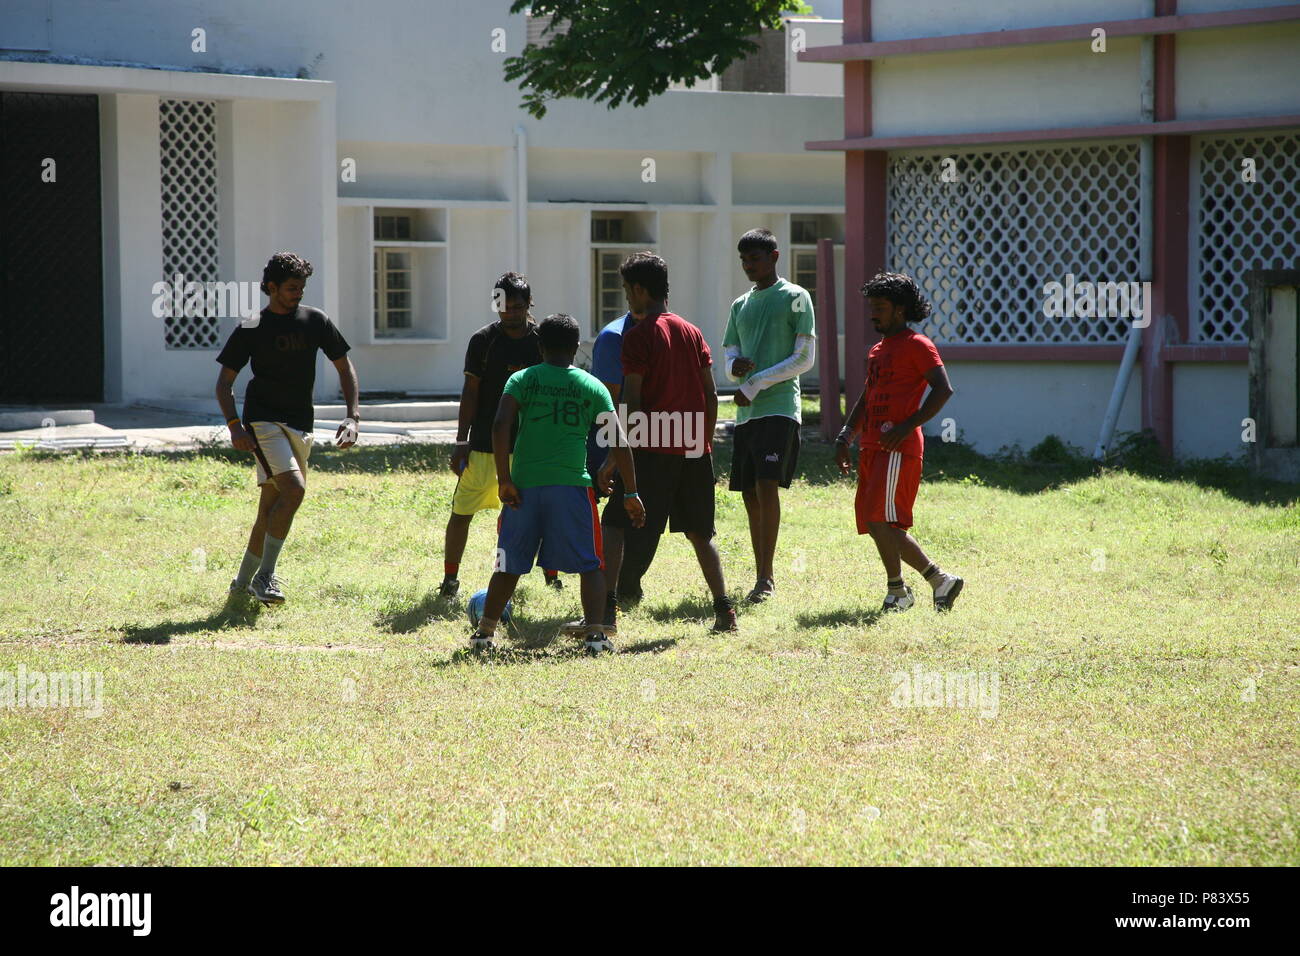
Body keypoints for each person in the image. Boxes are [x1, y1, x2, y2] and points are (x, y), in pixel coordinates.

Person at [470, 314, 645, 656]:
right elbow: (619, 439)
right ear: (577, 348)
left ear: (540, 346)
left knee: (507, 563)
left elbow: (500, 424)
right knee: (591, 563)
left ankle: (484, 635)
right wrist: (632, 492)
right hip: (571, 488)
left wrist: (504, 479)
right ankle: (595, 636)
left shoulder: (521, 379)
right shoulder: (590, 385)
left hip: (523, 489)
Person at [597, 252, 738, 634]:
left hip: (652, 446)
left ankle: (606, 611)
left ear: (640, 290)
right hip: (693, 446)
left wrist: (615, 457)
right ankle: (725, 612)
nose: (627, 298)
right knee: (700, 533)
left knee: (613, 524)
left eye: (627, 291)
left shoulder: (638, 336)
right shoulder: (693, 332)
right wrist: (702, 444)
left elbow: (632, 401)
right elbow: (711, 396)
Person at [216, 252, 359, 606]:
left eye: (302, 287)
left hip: (300, 424)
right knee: (294, 490)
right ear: (271, 287)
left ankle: (241, 584)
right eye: (292, 287)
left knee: (271, 506)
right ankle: (266, 577)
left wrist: (352, 415)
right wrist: (235, 426)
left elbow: (344, 368)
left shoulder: (315, 321)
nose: (299, 293)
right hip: (262, 422)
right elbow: (224, 384)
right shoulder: (252, 325)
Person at [835, 271, 963, 612]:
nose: (873, 313)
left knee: (883, 521)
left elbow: (943, 389)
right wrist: (847, 434)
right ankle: (901, 590)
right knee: (872, 520)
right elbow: (867, 396)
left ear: (901, 310)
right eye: (871, 307)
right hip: (873, 446)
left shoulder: (918, 345)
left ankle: (936, 580)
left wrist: (907, 426)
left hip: (897, 449)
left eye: (880, 307)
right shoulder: (878, 350)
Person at [439, 273, 561, 599]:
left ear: (529, 304)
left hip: (528, 447)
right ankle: (450, 579)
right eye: (503, 306)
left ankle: (551, 575)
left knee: (536, 513)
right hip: (482, 447)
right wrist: (461, 441)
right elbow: (471, 391)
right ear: (495, 304)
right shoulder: (483, 341)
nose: (510, 313)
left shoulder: (541, 341)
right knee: (461, 513)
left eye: (517, 306)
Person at [723, 228, 816, 604]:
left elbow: (804, 358)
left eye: (756, 259)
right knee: (748, 494)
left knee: (766, 485)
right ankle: (759, 572)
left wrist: (756, 382)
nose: (749, 266)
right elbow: (729, 356)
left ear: (775, 257)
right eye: (744, 260)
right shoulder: (739, 305)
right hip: (747, 415)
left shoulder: (796, 297)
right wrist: (735, 367)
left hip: (778, 409)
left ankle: (766, 578)